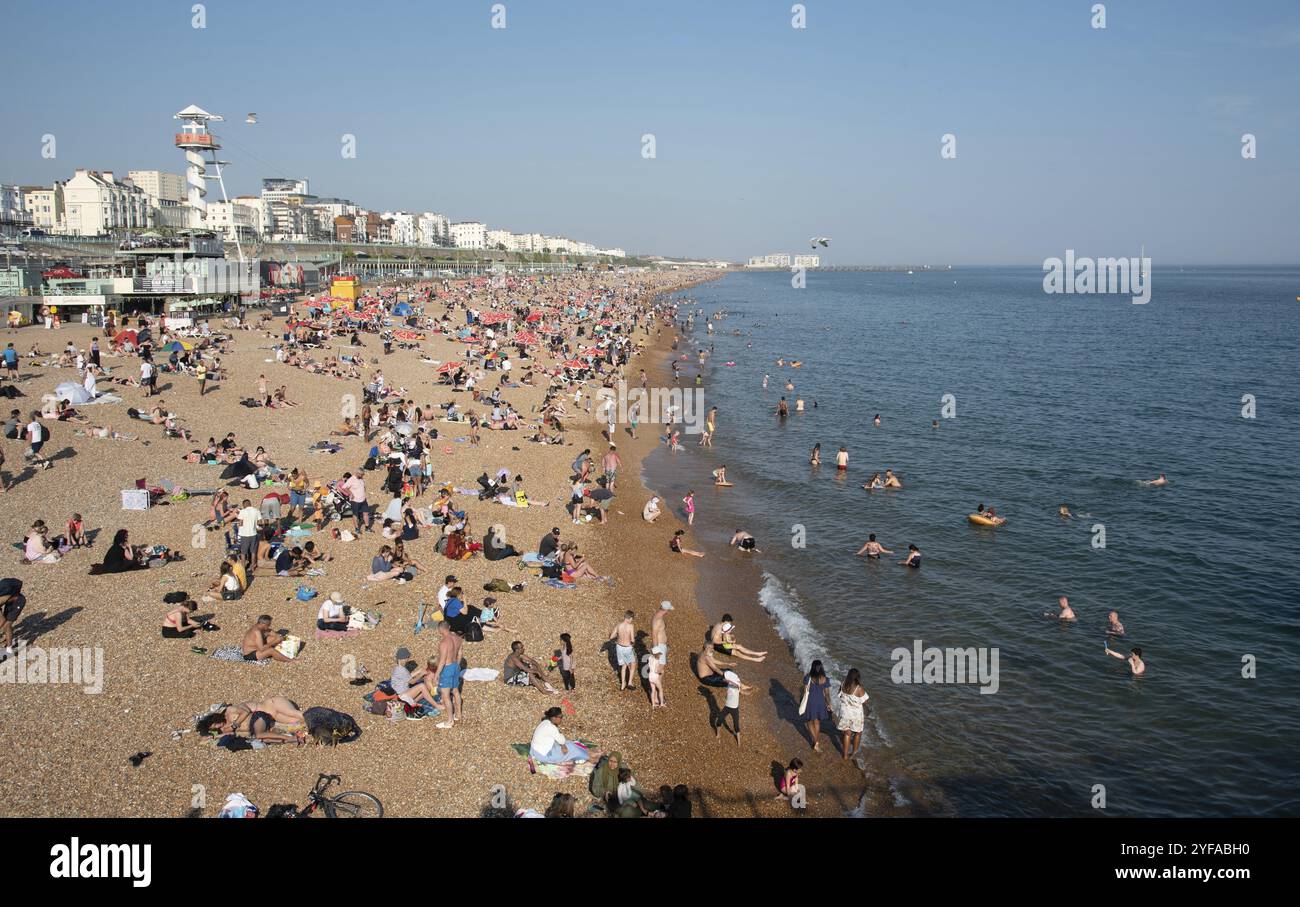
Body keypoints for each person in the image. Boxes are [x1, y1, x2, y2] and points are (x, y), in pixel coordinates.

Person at [433, 621, 464, 729]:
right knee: (455, 690)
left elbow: (442, 661)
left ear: (440, 630)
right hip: (456, 665)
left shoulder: (443, 643)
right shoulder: (458, 638)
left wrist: (436, 674)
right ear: (449, 627)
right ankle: (458, 714)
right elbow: (460, 654)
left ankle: (450, 720)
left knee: (445, 695)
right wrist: (458, 665)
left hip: (447, 668)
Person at [390, 646, 438, 713]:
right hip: (401, 696)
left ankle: (414, 701)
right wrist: (421, 674)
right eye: (407, 657)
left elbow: (408, 676)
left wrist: (419, 670)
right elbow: (412, 682)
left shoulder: (398, 668)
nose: (408, 659)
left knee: (424, 690)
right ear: (404, 658)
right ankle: (436, 705)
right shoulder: (402, 670)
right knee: (421, 686)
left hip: (402, 692)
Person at [836, 668, 869, 760]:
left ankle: (845, 755)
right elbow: (865, 701)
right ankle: (854, 753)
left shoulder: (843, 684)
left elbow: (839, 695)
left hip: (844, 712)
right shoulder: (859, 688)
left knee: (847, 733)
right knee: (858, 733)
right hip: (855, 715)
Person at [800, 659, 834, 751]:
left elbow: (805, 691)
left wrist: (801, 701)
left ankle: (816, 741)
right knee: (817, 722)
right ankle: (816, 742)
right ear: (821, 668)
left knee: (809, 722)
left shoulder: (808, 677)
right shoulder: (825, 679)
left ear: (812, 667)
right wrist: (829, 703)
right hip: (820, 702)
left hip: (811, 702)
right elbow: (827, 694)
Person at [713, 666, 750, 744]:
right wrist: (726, 681)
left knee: (736, 726)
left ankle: (739, 741)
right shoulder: (729, 685)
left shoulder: (737, 686)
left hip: (734, 709)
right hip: (727, 707)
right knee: (719, 720)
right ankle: (718, 733)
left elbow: (736, 685)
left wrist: (729, 681)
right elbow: (724, 680)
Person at [609, 610, 636, 692]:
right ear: (630, 618)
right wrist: (632, 643)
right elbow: (632, 639)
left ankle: (623, 684)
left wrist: (618, 638)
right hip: (627, 647)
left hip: (619, 647)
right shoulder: (631, 626)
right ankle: (630, 683)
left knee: (623, 666)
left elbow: (611, 637)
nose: (632, 620)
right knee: (633, 664)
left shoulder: (618, 625)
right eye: (632, 618)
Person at [0, 578, 25, 660]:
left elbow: (3, 622)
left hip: (17, 602)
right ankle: (7, 642)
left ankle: (9, 649)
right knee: (5, 625)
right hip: (8, 601)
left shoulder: (16, 597)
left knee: (7, 625)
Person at [236, 499, 261, 568]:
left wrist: (239, 525)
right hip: (253, 534)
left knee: (243, 552)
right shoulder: (256, 510)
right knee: (253, 551)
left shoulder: (242, 511)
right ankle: (253, 565)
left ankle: (243, 566)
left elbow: (240, 523)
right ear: (250, 503)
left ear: (244, 505)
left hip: (245, 534)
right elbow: (260, 522)